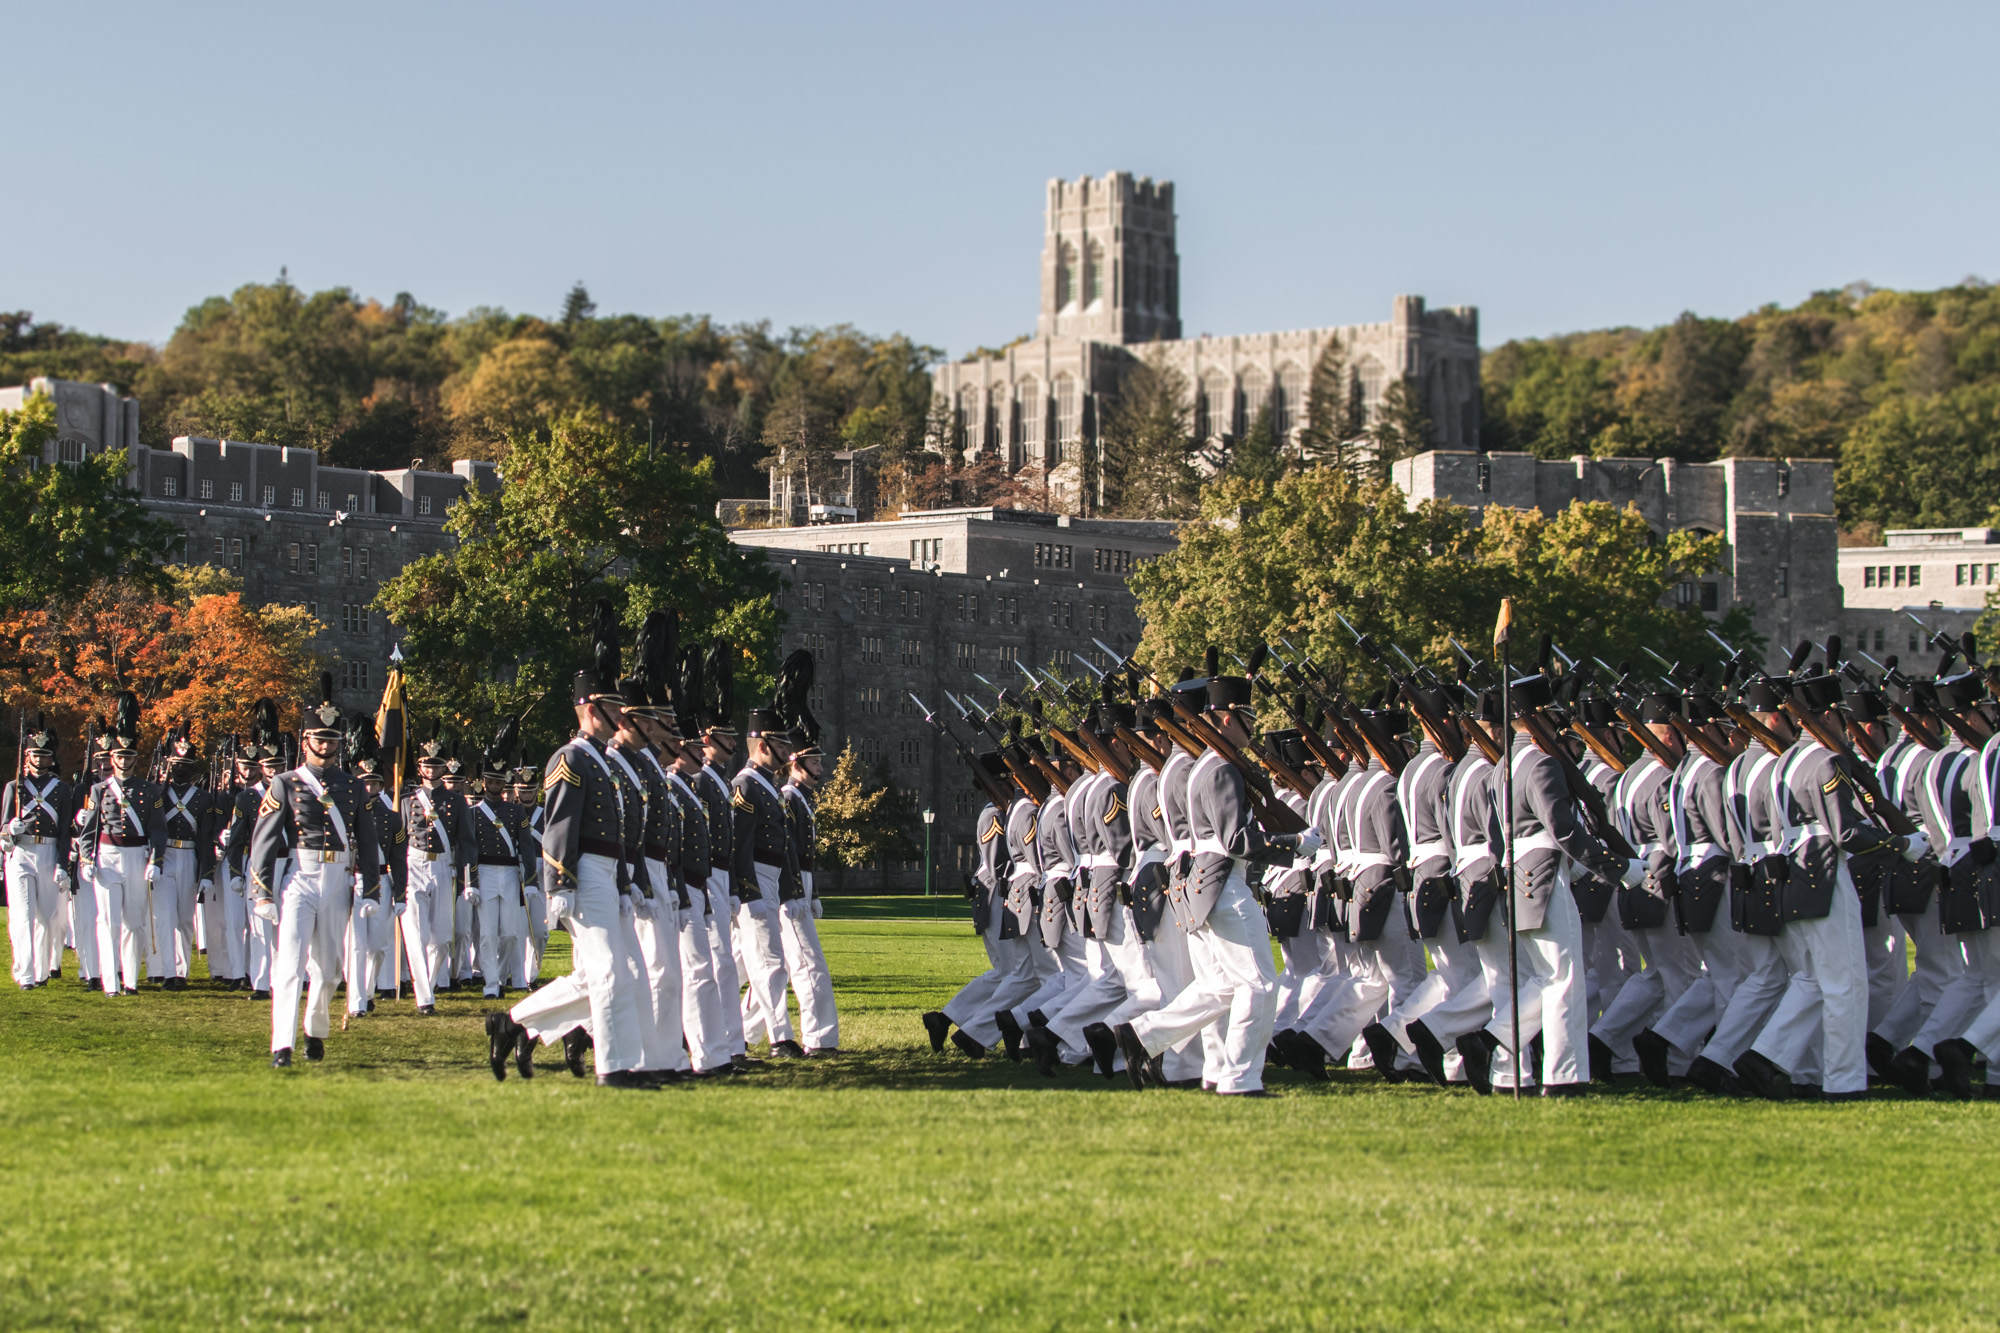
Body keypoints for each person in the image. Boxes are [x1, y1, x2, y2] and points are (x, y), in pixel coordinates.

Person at [1100, 657, 1321, 1095]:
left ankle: (1144, 1034)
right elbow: (1235, 839)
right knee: (1258, 984)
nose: (1251, 729)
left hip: (1203, 885)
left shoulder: (1202, 765)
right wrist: (1295, 845)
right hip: (1224, 884)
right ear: (1225, 718)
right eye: (1246, 720)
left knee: (1220, 987)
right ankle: (1240, 1079)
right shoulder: (1219, 767)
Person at [487, 606, 652, 1088]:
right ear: (589, 708)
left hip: (606, 876)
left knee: (613, 973)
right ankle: (616, 1068)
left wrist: (625, 883)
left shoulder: (605, 762)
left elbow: (619, 833)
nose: (622, 715)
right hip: (581, 874)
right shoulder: (570, 757)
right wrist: (558, 881)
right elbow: (560, 825)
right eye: (613, 707)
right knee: (608, 973)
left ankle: (514, 1022)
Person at [1736, 661, 1908, 1101]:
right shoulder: (1825, 761)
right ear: (1829, 715)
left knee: (1813, 980)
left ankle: (1764, 1056)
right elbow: (1845, 831)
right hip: (1824, 875)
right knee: (1845, 984)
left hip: (1793, 874)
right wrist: (1902, 846)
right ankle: (1845, 1081)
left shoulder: (1785, 760)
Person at [248, 675, 381, 1066]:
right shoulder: (285, 783)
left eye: (332, 741)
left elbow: (367, 841)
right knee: (289, 963)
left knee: (328, 969)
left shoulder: (353, 787)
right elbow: (265, 840)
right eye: (319, 740)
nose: (325, 747)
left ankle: (314, 1029)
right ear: (306, 740)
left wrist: (371, 889)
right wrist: (262, 892)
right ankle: (282, 1045)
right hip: (299, 879)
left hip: (337, 879)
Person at [731, 692, 802, 1059]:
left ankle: (737, 1034)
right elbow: (739, 846)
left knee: (739, 966)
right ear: (762, 745)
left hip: (769, 879)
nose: (788, 751)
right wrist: (748, 891)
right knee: (771, 961)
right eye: (780, 743)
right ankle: (779, 1037)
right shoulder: (746, 785)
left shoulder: (768, 785)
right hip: (755, 879)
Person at [74, 693, 153, 996]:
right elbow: (88, 831)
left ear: (135, 758)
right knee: (108, 922)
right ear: (113, 758)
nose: (122, 762)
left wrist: (155, 861)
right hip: (106, 856)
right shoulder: (98, 790)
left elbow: (156, 830)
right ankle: (110, 982)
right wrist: (86, 859)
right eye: (118, 757)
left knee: (134, 922)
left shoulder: (148, 789)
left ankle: (131, 981)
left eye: (128, 757)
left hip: (136, 856)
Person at [401, 729, 479, 1014]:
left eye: (436, 764)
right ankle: (424, 997)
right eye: (426, 763)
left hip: (443, 867)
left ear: (444, 766)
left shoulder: (457, 801)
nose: (431, 768)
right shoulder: (406, 799)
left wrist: (469, 879)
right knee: (416, 933)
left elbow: (467, 843)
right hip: (414, 864)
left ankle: (429, 984)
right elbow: (399, 840)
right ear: (419, 766)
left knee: (443, 937)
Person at [3, 716, 76, 989]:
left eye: (45, 755)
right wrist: (11, 827)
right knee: (22, 917)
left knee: (47, 917)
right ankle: (24, 975)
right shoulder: (15, 786)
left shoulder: (62, 789)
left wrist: (61, 864)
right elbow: (2, 827)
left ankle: (41, 972)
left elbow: (65, 832)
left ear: (51, 758)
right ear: (27, 755)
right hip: (21, 853)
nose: (40, 759)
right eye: (35, 754)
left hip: (48, 853)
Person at [779, 728, 839, 1055]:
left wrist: (813, 893)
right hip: (790, 885)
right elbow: (788, 850)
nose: (819, 767)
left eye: (818, 761)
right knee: (808, 963)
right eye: (813, 761)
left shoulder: (801, 798)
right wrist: (797, 891)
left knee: (778, 966)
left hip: (800, 882)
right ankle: (819, 1039)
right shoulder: (790, 797)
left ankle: (741, 1032)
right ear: (796, 763)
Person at [150, 723, 215, 991]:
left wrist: (207, 872)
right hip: (164, 857)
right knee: (164, 917)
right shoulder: (158, 793)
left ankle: (181, 971)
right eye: (176, 763)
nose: (181, 768)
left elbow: (206, 837)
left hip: (189, 857)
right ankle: (167, 971)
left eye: (186, 764)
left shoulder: (202, 797)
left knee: (184, 919)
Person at [468, 725, 531, 1000]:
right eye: (490, 781)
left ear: (504, 782)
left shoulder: (516, 812)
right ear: (484, 782)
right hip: (484, 872)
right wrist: (470, 881)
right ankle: (491, 983)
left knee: (510, 934)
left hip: (509, 873)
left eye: (498, 782)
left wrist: (531, 882)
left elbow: (526, 847)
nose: (494, 786)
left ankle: (502, 972)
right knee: (486, 934)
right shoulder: (472, 813)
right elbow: (469, 850)